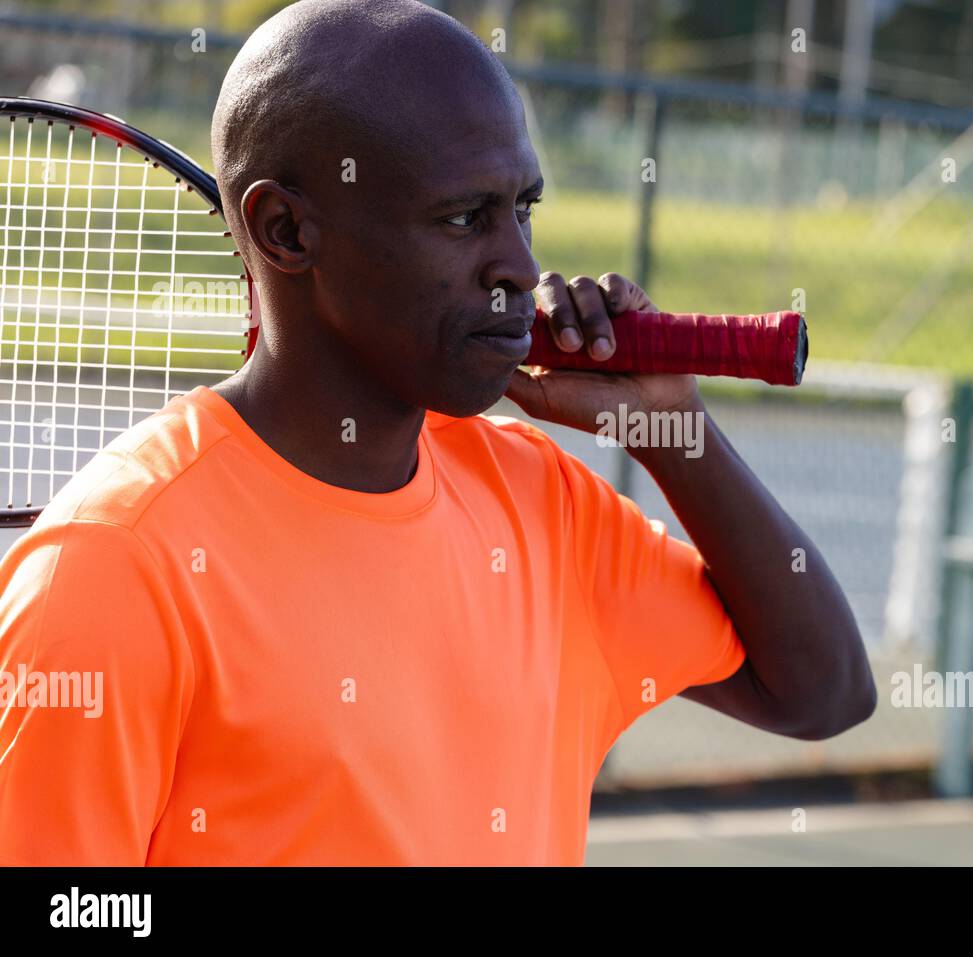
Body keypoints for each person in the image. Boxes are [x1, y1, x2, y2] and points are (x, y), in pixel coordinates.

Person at [0, 0, 874, 866]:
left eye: (522, 209)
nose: (522, 267)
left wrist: (674, 431)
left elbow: (822, 691)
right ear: (288, 229)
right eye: (465, 219)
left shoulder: (543, 499)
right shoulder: (112, 566)